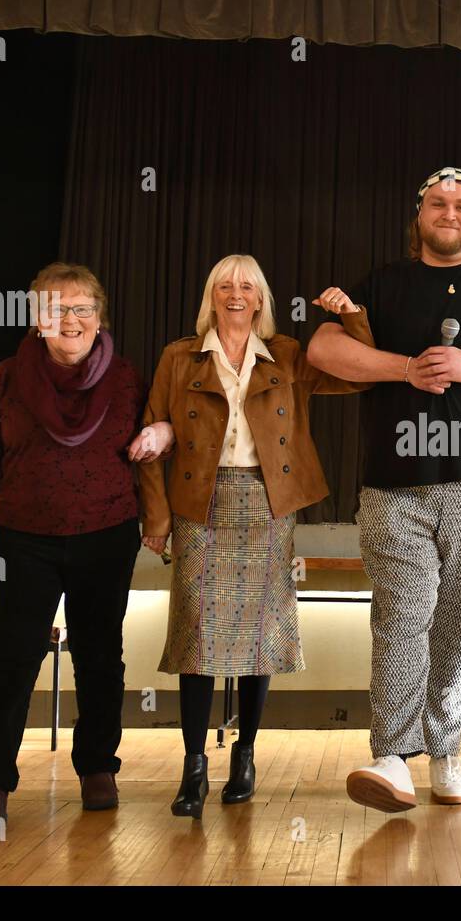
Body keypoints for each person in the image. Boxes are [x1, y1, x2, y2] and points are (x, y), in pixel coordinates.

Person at [306, 166, 461, 812]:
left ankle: (446, 749)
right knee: (402, 613)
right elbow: (321, 351)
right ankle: (392, 755)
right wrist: (406, 368)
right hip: (394, 484)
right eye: (438, 203)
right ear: (419, 214)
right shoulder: (384, 283)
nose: (450, 213)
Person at [138, 254, 374, 820]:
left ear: (262, 297)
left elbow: (356, 370)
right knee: (197, 637)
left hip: (269, 503)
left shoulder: (290, 354)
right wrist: (157, 516)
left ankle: (244, 755)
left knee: (260, 634)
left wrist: (352, 316)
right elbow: (148, 438)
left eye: (246, 285)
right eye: (224, 285)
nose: (235, 294)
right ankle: (194, 765)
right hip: (199, 501)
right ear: (210, 295)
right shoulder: (179, 356)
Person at [0, 261, 171, 833]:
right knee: (11, 659)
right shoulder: (7, 376)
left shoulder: (126, 377)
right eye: (56, 308)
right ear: (36, 320)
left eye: (81, 308)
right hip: (24, 540)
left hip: (107, 535)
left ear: (99, 318)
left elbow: (165, 426)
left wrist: (162, 434)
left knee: (100, 655)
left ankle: (98, 768)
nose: (70, 319)